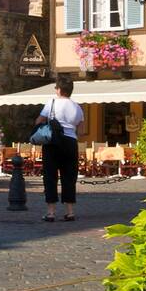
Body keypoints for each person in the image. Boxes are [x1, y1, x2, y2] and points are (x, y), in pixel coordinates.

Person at [34, 77, 85, 222]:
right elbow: (81, 130)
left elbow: (40, 120)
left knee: (50, 176)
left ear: (59, 90)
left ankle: (51, 212)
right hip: (70, 142)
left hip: (52, 142)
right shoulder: (77, 107)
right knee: (69, 177)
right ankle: (70, 211)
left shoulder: (52, 102)